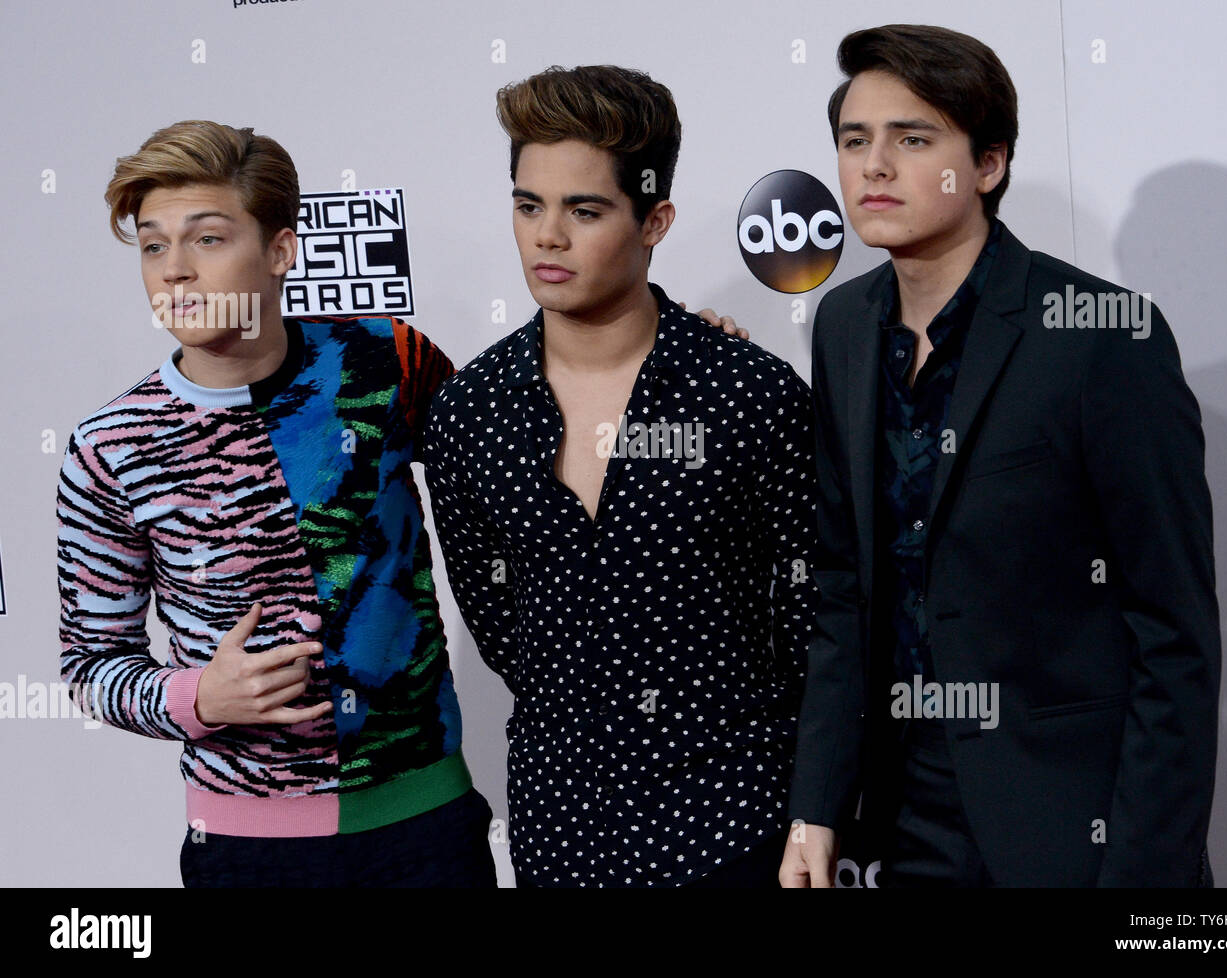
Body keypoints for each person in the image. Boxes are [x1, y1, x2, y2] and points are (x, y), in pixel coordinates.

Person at [776, 25, 1220, 887]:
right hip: (900, 821)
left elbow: (1175, 635)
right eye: (854, 140)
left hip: (1071, 827)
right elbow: (843, 589)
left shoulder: (1098, 334)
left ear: (987, 164)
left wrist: (1143, 880)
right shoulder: (842, 327)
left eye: (912, 139)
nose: (873, 166)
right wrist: (817, 804)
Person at [56, 120, 496, 886]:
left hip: (426, 822)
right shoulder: (111, 444)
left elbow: (514, 441)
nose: (175, 273)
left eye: (208, 239)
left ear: (281, 252)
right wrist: (199, 695)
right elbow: (90, 664)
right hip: (246, 849)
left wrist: (671, 348)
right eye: (154, 246)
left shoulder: (384, 357)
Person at [423, 65, 817, 887]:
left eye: (585, 210)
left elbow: (815, 620)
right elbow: (500, 623)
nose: (547, 237)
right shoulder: (469, 412)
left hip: (738, 827)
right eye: (528, 205)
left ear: (654, 220)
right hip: (559, 831)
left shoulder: (749, 393)